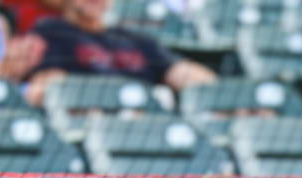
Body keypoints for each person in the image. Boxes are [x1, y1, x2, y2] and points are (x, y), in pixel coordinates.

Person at [22, 0, 216, 106]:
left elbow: (184, 73)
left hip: (144, 125)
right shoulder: (52, 31)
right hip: (93, 127)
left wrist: (218, 92)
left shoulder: (136, 40)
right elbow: (46, 89)